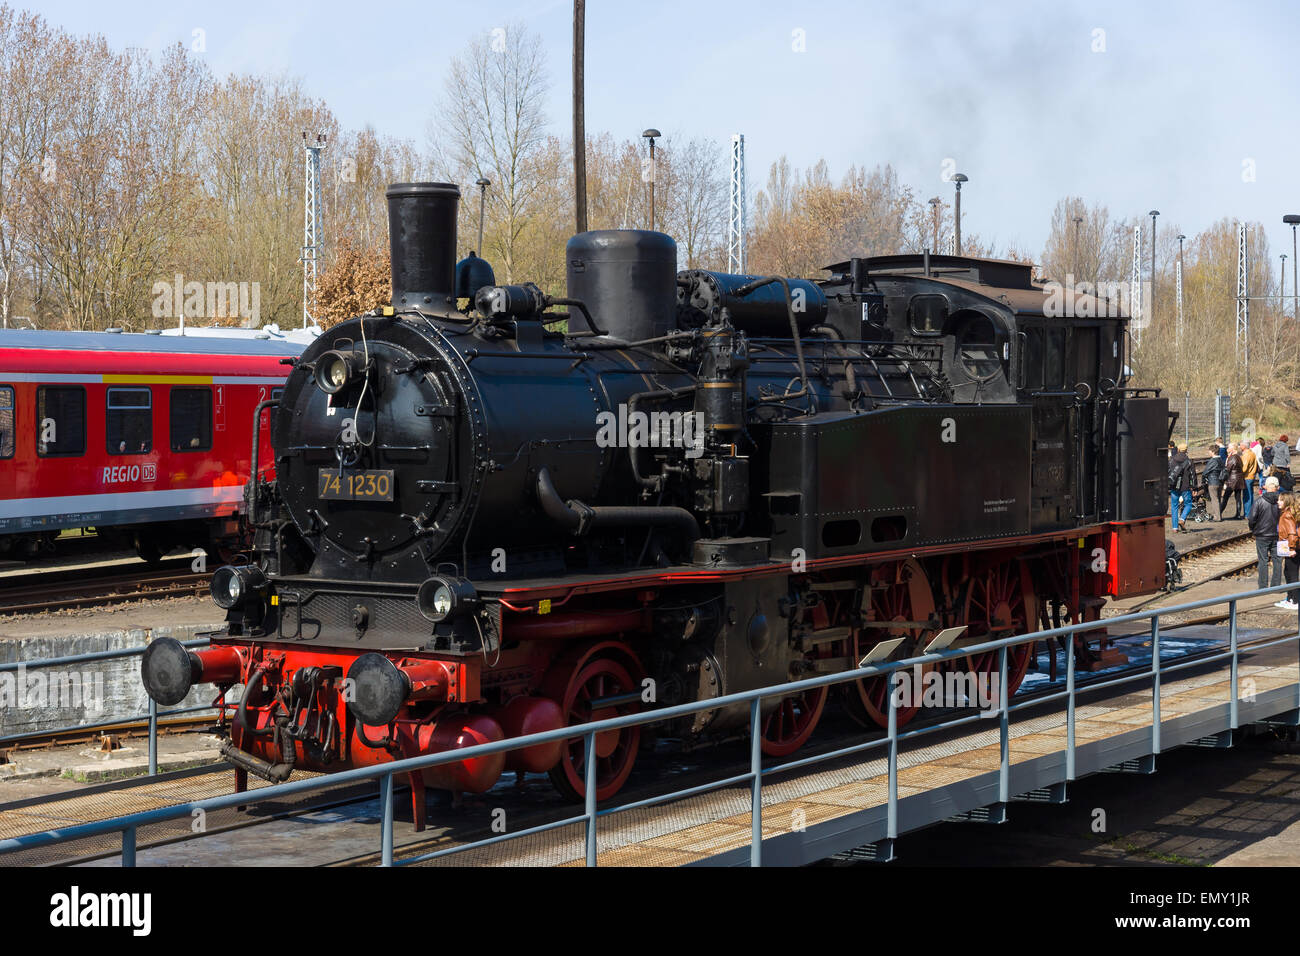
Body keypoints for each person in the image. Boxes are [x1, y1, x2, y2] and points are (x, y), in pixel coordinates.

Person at [1249, 475, 1283, 592]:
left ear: (1265, 487)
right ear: (1277, 487)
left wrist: (1253, 529)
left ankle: (1263, 587)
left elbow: (1252, 518)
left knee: (1263, 561)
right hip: (1278, 535)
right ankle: (1276, 586)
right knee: (1278, 561)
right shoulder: (1282, 502)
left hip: (1262, 535)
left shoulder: (1259, 501)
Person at [1276, 492, 1300, 611]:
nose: (1278, 502)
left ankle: (1295, 601)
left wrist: (1291, 548)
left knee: (1292, 574)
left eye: (1280, 500)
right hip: (1292, 547)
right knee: (1288, 572)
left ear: (1286, 501)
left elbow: (1292, 533)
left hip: (1291, 548)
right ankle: (1290, 598)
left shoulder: (1287, 515)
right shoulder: (1289, 513)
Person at [1168, 442, 1194, 532]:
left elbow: (1168, 471)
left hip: (1174, 486)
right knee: (1188, 504)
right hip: (1185, 487)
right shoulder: (1189, 461)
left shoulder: (1172, 460)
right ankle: (1182, 519)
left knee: (1174, 506)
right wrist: (1194, 487)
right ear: (1186, 450)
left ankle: (1175, 528)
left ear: (1178, 450)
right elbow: (1193, 475)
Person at [1201, 446, 1225, 522]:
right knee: (1218, 499)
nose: (1209, 452)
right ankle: (1218, 515)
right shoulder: (1221, 460)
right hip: (1220, 482)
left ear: (1213, 452)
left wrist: (1203, 480)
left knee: (1214, 500)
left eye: (1210, 451)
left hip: (1213, 482)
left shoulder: (1213, 460)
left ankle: (1217, 517)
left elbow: (1205, 472)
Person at [1224, 443, 1245, 518]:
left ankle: (1219, 513)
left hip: (1232, 481)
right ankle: (1238, 514)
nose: (1227, 448)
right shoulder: (1238, 457)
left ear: (1233, 448)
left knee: (1225, 497)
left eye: (1229, 447)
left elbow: (1228, 469)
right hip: (1239, 480)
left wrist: (1224, 480)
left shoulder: (1233, 457)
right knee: (1238, 497)